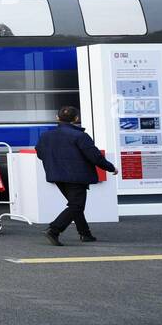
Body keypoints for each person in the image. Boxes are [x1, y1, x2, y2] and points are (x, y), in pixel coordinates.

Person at [35, 105, 117, 245]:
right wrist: (111, 168)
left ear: (57, 118)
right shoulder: (81, 136)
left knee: (75, 206)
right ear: (76, 118)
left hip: (56, 175)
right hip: (76, 177)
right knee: (77, 206)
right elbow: (95, 157)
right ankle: (54, 229)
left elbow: (41, 154)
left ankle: (85, 233)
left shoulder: (45, 136)